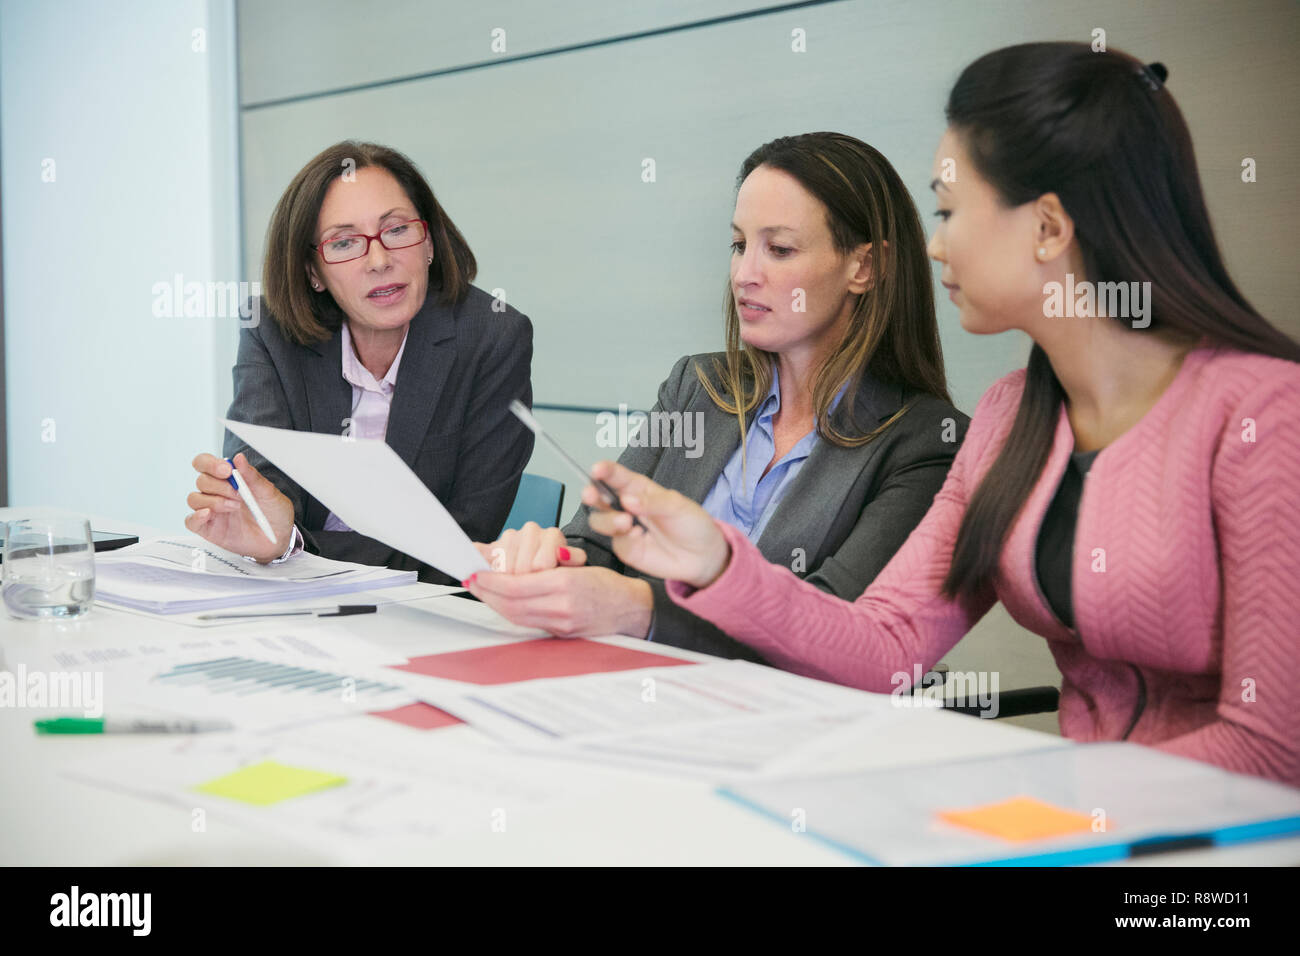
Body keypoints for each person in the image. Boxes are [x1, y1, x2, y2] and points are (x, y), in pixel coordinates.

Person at [527, 43, 1300, 786]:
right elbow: (885, 647)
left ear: (1049, 228)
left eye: (950, 211)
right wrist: (719, 564)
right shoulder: (1010, 418)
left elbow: (1275, 745)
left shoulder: (1265, 414)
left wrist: (1045, 797)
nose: (933, 249)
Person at [468, 132, 967, 660]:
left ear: (863, 267)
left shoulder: (926, 443)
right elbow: (599, 545)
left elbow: (837, 627)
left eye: (779, 249)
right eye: (738, 245)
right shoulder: (697, 388)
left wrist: (641, 608)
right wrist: (551, 558)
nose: (744, 275)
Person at [185, 141, 533, 583]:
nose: (380, 260)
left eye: (397, 230)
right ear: (312, 271)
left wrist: (296, 544)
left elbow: (461, 544)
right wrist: (273, 536)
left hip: (422, 614)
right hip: (280, 598)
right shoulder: (272, 329)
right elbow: (259, 503)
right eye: (345, 242)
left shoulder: (491, 338)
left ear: (428, 243)